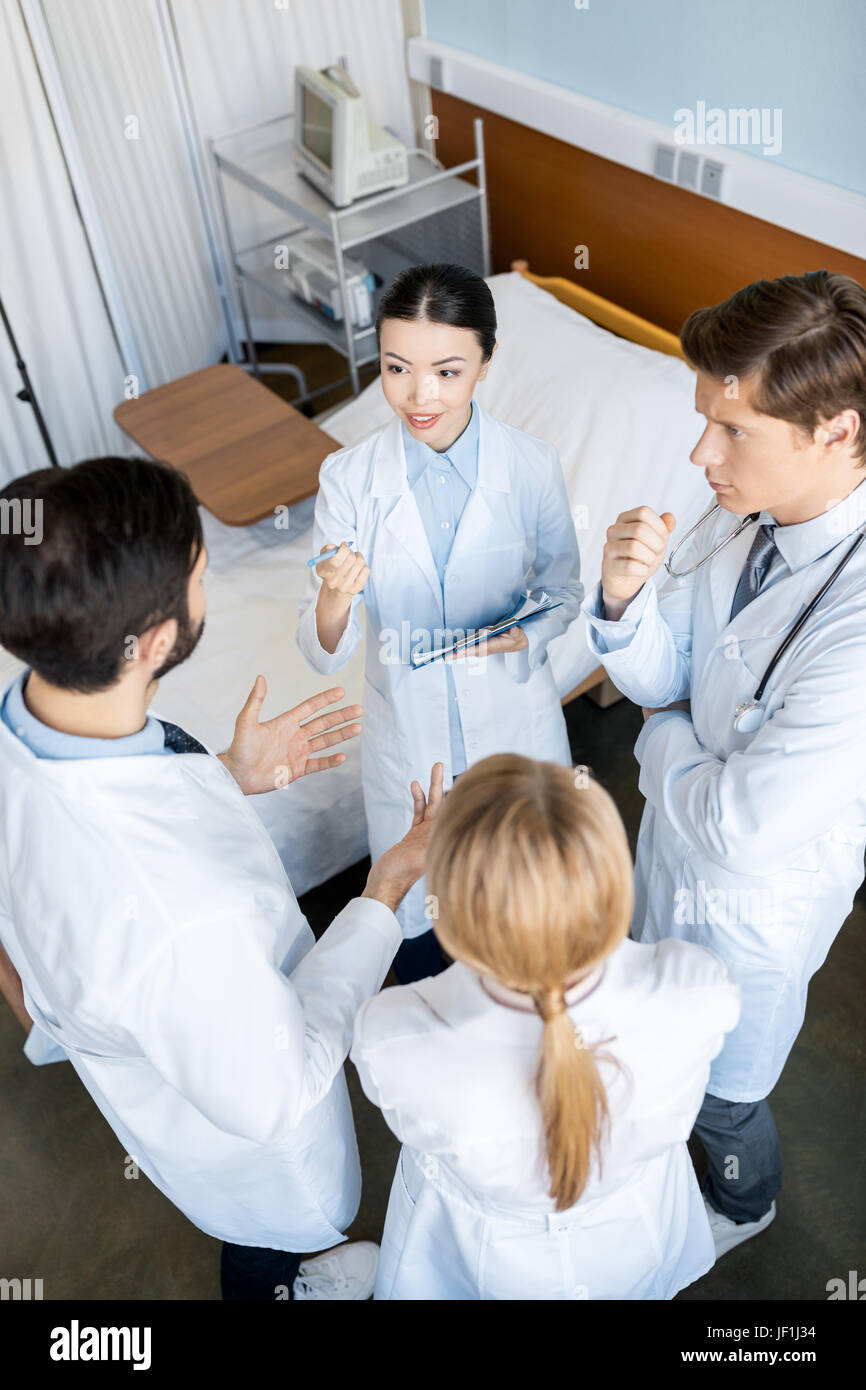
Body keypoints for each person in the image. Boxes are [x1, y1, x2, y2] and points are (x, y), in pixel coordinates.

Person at [0, 455, 443, 1301]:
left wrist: (221, 776)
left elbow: (97, 833)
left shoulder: (27, 719)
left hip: (154, 1071)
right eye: (202, 571)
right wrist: (383, 893)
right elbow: (282, 1085)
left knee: (233, 1213)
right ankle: (277, 1287)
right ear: (161, 640)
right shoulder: (177, 920)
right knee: (269, 1230)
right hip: (255, 1142)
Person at [583, 269, 866, 1257]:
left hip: (754, 909)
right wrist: (621, 611)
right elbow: (674, 675)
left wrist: (654, 735)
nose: (698, 454)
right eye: (701, 419)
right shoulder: (738, 509)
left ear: (834, 430)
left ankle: (745, 1210)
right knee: (659, 1039)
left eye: (730, 429)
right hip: (673, 851)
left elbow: (743, 824)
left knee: (723, 1095)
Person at [351, 754, 740, 1300]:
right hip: (634, 1240)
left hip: (488, 1262)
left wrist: (388, 887)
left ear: (448, 912)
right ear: (612, 883)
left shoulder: (394, 1038)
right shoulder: (695, 990)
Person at [297, 263, 583, 984]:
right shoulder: (348, 478)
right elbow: (327, 650)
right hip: (411, 746)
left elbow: (563, 589)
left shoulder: (531, 467)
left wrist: (529, 633)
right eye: (396, 369)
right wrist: (334, 597)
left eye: (447, 371)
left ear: (485, 361)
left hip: (513, 725)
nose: (419, 395)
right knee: (422, 942)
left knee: (528, 918)